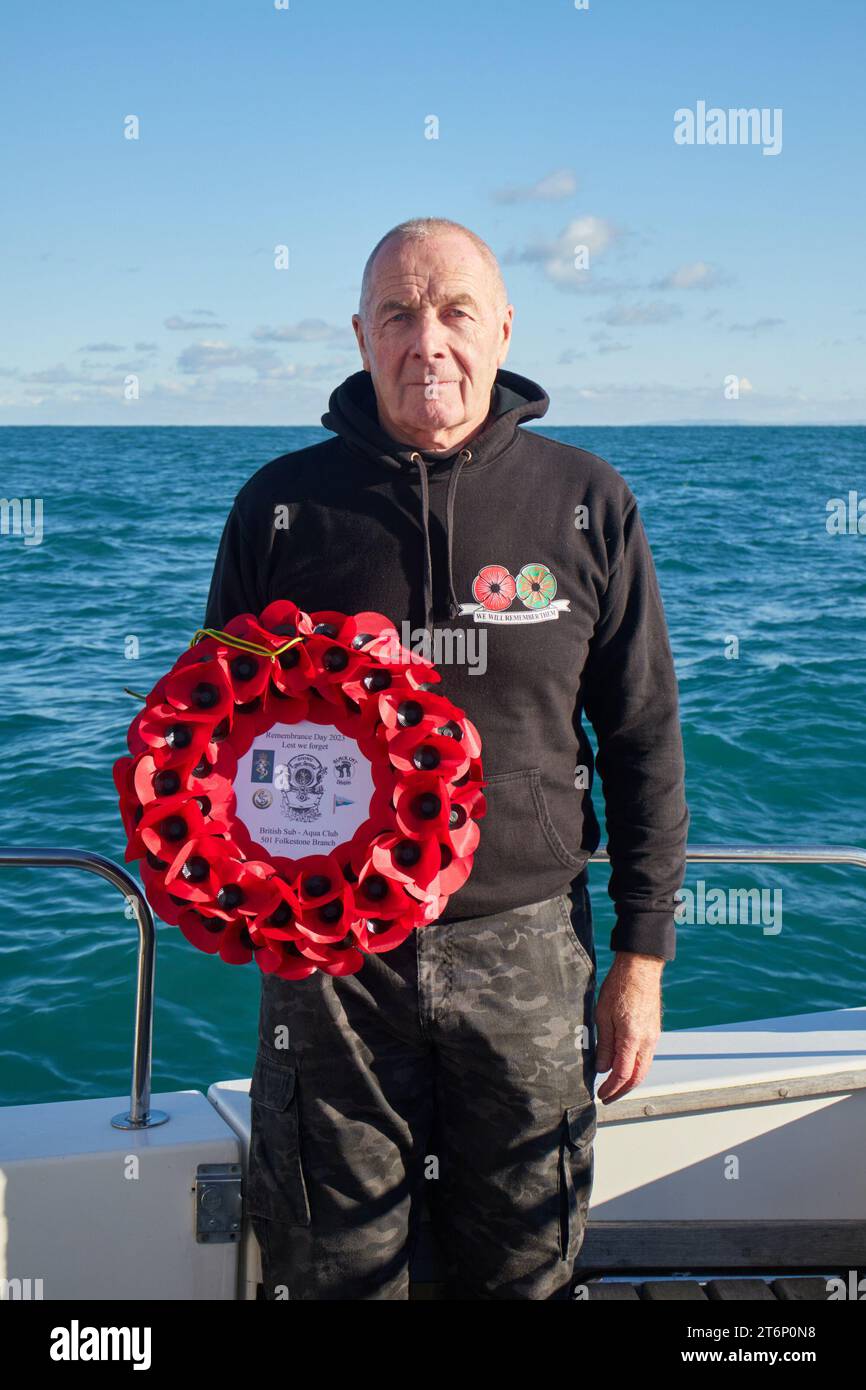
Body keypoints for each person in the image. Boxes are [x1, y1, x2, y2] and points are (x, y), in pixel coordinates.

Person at [203, 217, 689, 1300]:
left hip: (524, 949)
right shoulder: (281, 508)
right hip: (329, 967)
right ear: (361, 335)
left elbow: (643, 738)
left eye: (455, 310)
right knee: (333, 1272)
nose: (428, 341)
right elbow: (211, 739)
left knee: (522, 1268)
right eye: (398, 314)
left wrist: (639, 960)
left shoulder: (587, 499)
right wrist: (239, 898)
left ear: (503, 325)